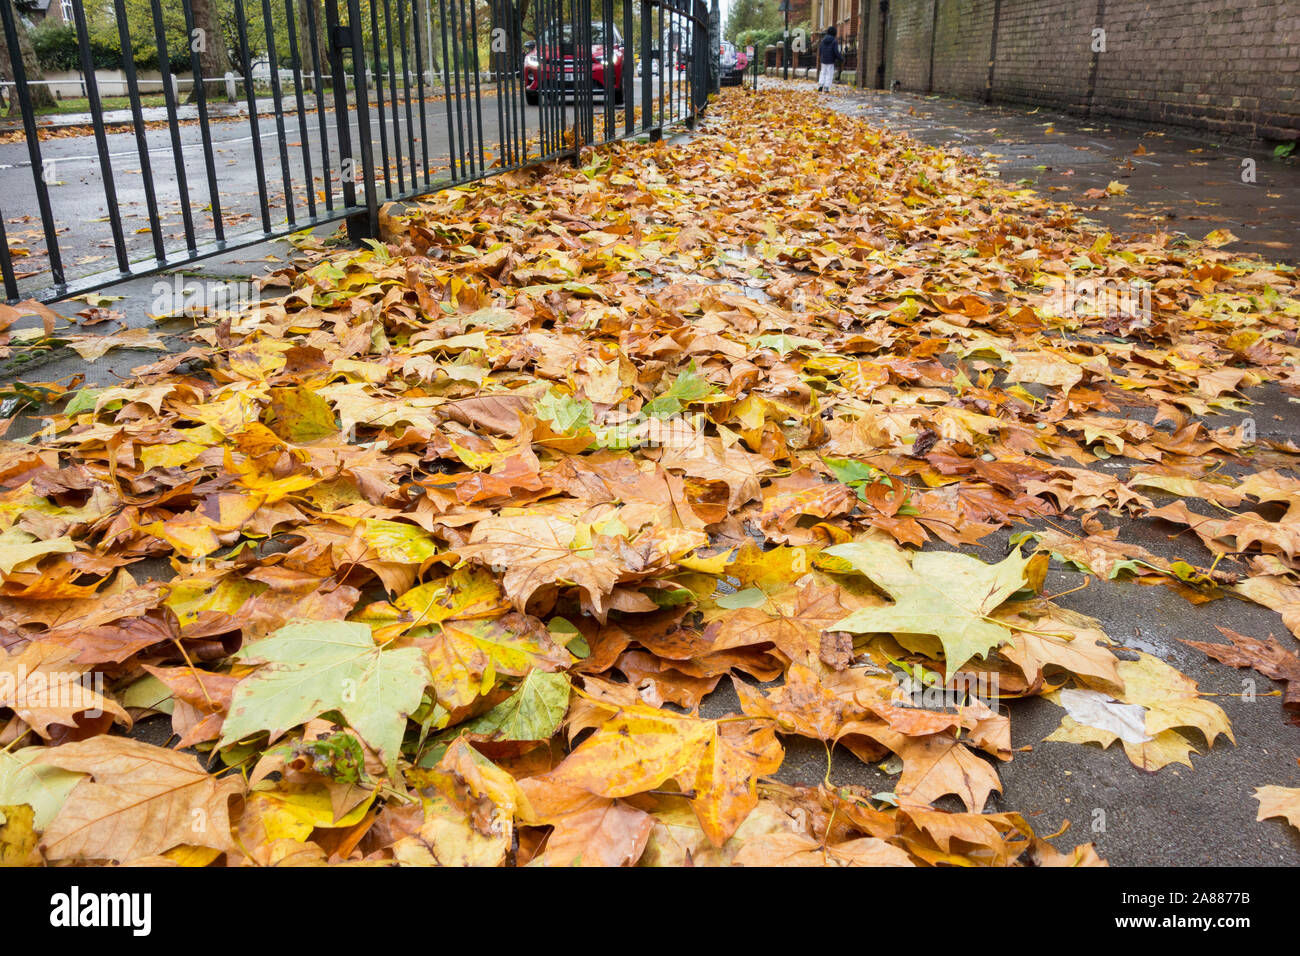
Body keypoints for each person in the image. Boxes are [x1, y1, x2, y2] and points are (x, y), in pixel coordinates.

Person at [817, 26, 841, 92]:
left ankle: (821, 85)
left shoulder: (823, 40)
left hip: (823, 59)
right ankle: (827, 87)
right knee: (829, 73)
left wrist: (821, 56)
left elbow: (820, 49)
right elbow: (836, 51)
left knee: (823, 72)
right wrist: (840, 58)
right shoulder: (834, 41)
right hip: (830, 60)